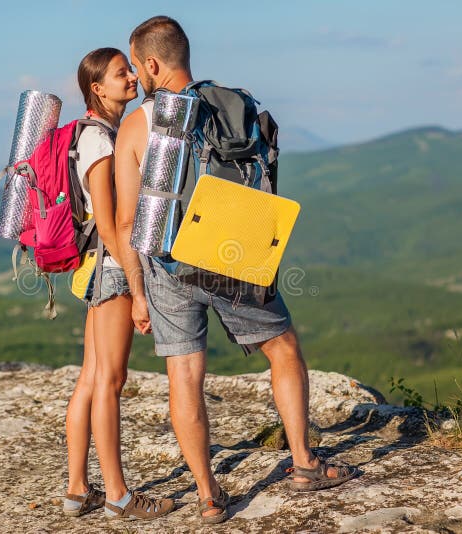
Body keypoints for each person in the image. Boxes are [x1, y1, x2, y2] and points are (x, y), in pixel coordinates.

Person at [114, 17, 357, 525]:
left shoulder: (137, 126)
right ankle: (305, 462)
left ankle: (207, 494)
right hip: (231, 255)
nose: (138, 76)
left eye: (138, 66)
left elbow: (125, 220)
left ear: (152, 64)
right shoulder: (231, 103)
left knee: (184, 375)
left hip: (167, 268)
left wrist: (137, 292)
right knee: (284, 349)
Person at [62, 47, 175, 521]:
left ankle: (76, 490)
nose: (131, 77)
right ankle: (118, 495)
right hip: (111, 267)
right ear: (97, 88)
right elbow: (110, 225)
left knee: (91, 377)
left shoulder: (95, 133)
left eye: (129, 70)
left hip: (97, 265)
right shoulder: (101, 141)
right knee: (110, 380)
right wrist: (138, 289)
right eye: (119, 73)